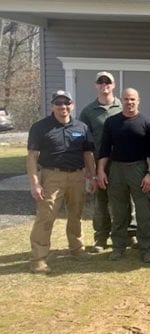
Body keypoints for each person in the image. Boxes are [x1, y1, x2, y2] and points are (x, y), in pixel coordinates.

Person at [27, 90, 96, 273]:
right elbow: (32, 157)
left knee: (76, 214)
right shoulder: (40, 127)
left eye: (66, 103)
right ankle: (39, 258)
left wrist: (93, 175)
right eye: (58, 103)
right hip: (52, 177)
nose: (63, 107)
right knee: (46, 216)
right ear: (52, 106)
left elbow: (88, 154)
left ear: (72, 105)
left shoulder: (81, 127)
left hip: (77, 176)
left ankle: (77, 249)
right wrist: (35, 183)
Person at [96, 88, 150, 263]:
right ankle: (118, 247)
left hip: (139, 169)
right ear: (121, 100)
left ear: (138, 100)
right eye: (126, 99)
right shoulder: (112, 122)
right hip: (116, 170)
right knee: (119, 211)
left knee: (144, 211)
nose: (129, 102)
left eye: (132, 99)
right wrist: (100, 171)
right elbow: (105, 150)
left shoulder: (147, 122)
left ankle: (147, 248)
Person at [79, 71, 122, 252]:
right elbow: (84, 142)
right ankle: (101, 238)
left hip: (121, 162)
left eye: (108, 82)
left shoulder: (123, 106)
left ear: (113, 85)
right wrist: (90, 171)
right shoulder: (88, 111)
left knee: (124, 199)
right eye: (100, 82)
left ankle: (128, 234)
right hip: (98, 162)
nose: (104, 85)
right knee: (101, 201)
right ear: (96, 85)